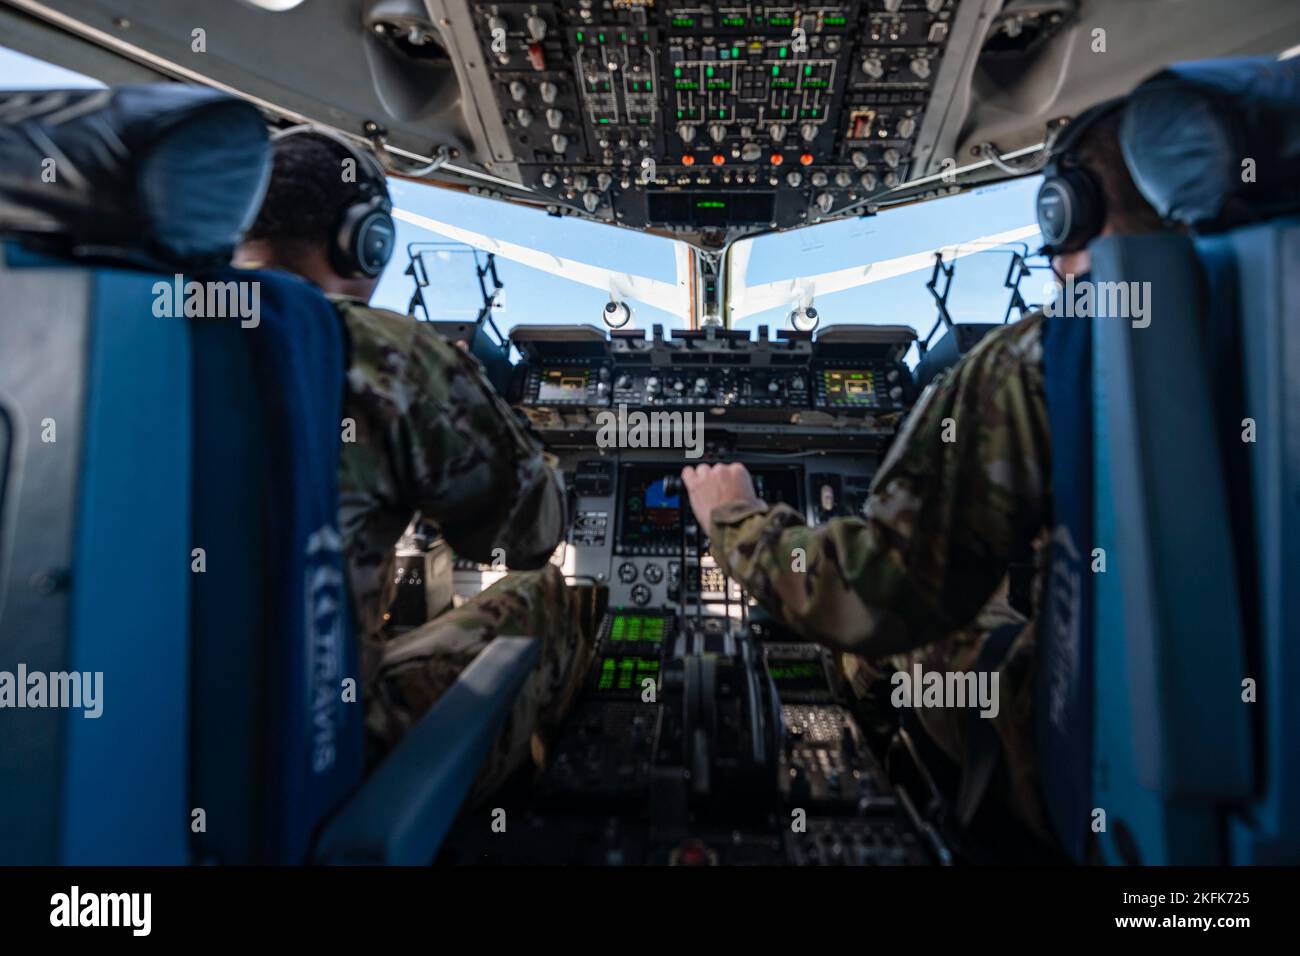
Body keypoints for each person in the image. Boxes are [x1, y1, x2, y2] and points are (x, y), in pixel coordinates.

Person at [680, 102, 1167, 845]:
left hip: (1095, 737)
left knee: (892, 642)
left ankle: (897, 801)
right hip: (1192, 749)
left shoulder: (1051, 357)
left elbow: (883, 591)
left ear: (1071, 212)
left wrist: (735, 516)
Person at [235, 128, 595, 799]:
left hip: (131, 756)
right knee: (544, 595)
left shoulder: (131, 321)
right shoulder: (383, 349)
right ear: (366, 241)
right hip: (318, 754)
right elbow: (532, 536)